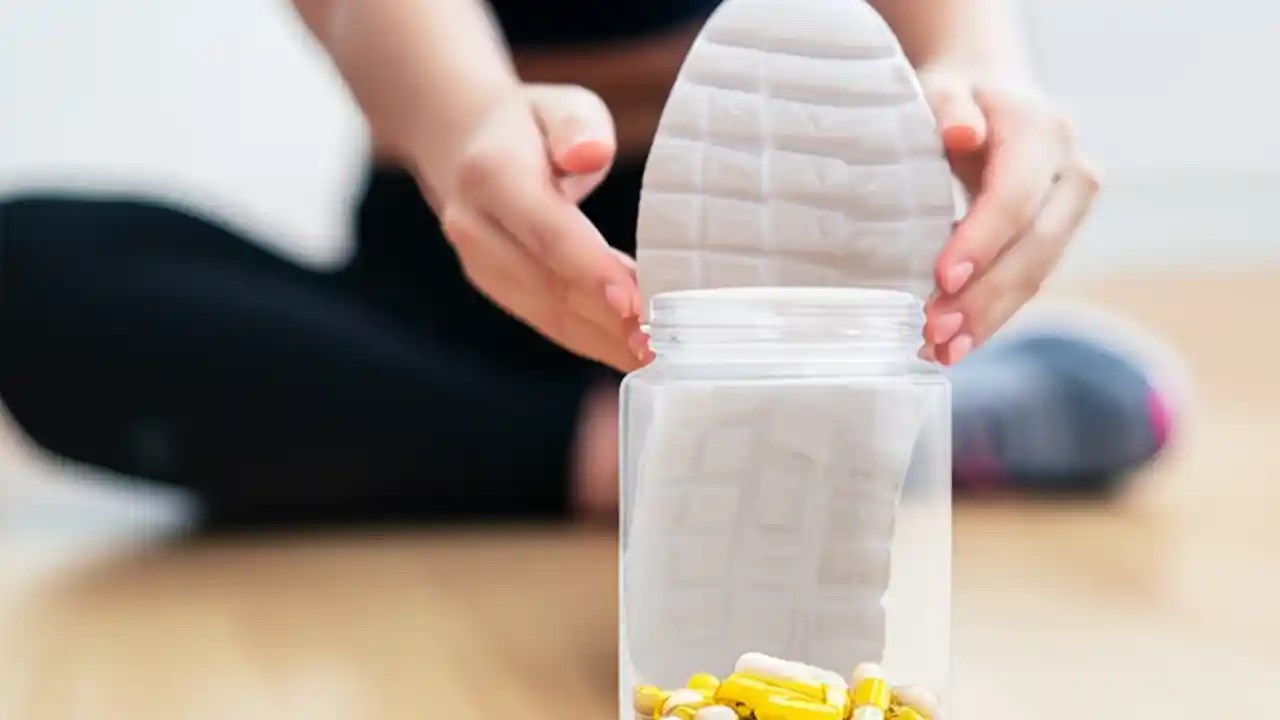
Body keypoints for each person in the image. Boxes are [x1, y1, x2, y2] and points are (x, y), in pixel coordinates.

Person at [0, 0, 1177, 526]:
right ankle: (636, 459)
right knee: (31, 277)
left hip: (749, 285)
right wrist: (469, 135)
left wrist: (986, 93)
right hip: (459, 271)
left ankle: (797, 419)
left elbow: (956, 40)